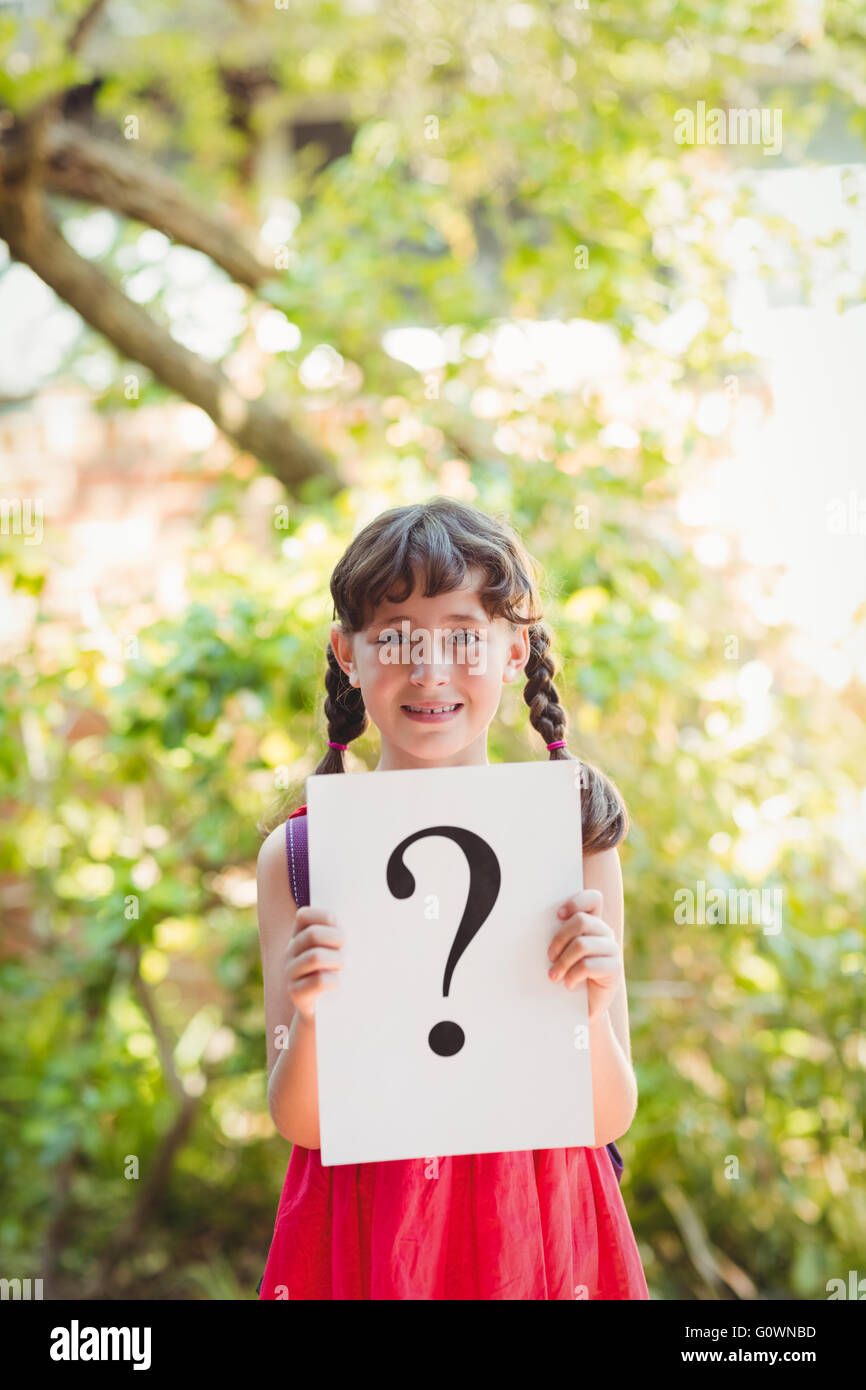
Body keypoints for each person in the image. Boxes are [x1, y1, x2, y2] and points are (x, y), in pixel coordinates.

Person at [254, 497, 648, 1299]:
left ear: (515, 651)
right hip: (368, 1223)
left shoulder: (574, 841)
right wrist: (312, 1014)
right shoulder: (298, 856)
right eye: (395, 636)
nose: (429, 668)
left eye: (463, 635)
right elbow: (301, 1124)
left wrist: (592, 1010)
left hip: (534, 1217)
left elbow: (607, 1119)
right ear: (347, 653)